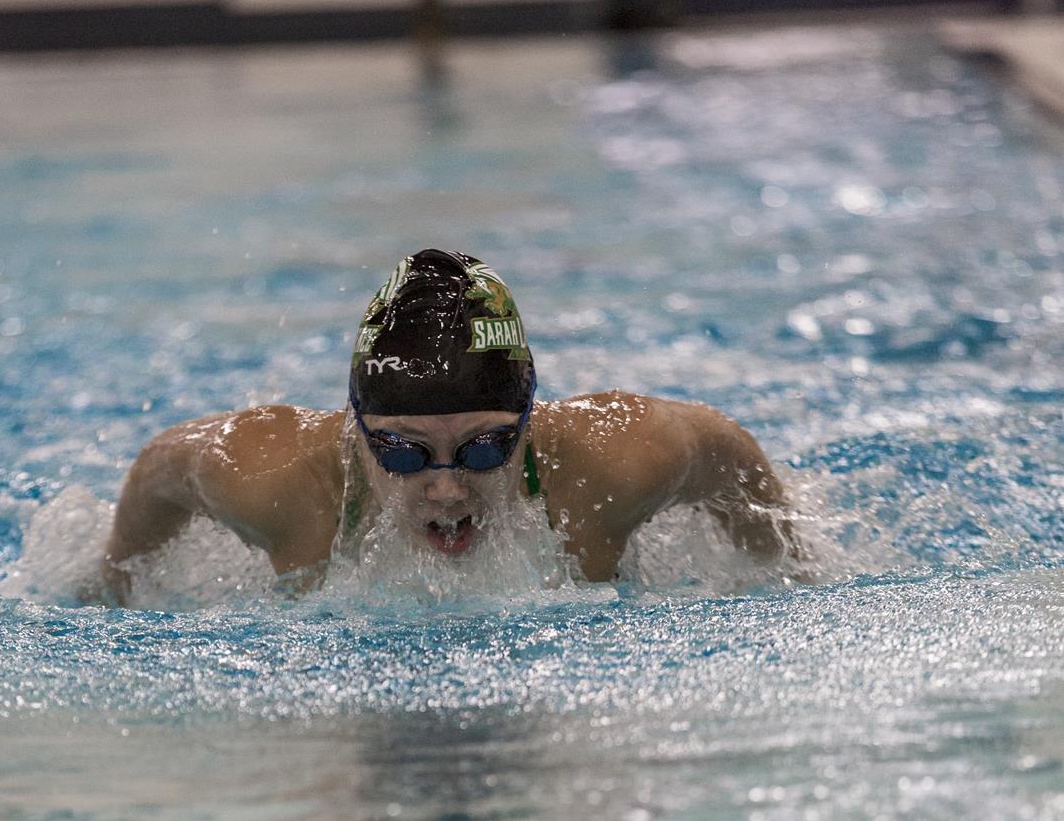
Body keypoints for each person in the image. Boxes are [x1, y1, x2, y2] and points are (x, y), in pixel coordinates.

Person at [103, 248, 805, 601]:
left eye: (484, 447)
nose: (445, 491)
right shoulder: (268, 479)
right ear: (357, 427)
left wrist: (783, 570)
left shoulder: (615, 461)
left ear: (529, 422)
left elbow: (724, 449)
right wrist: (111, 587)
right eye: (405, 454)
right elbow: (157, 470)